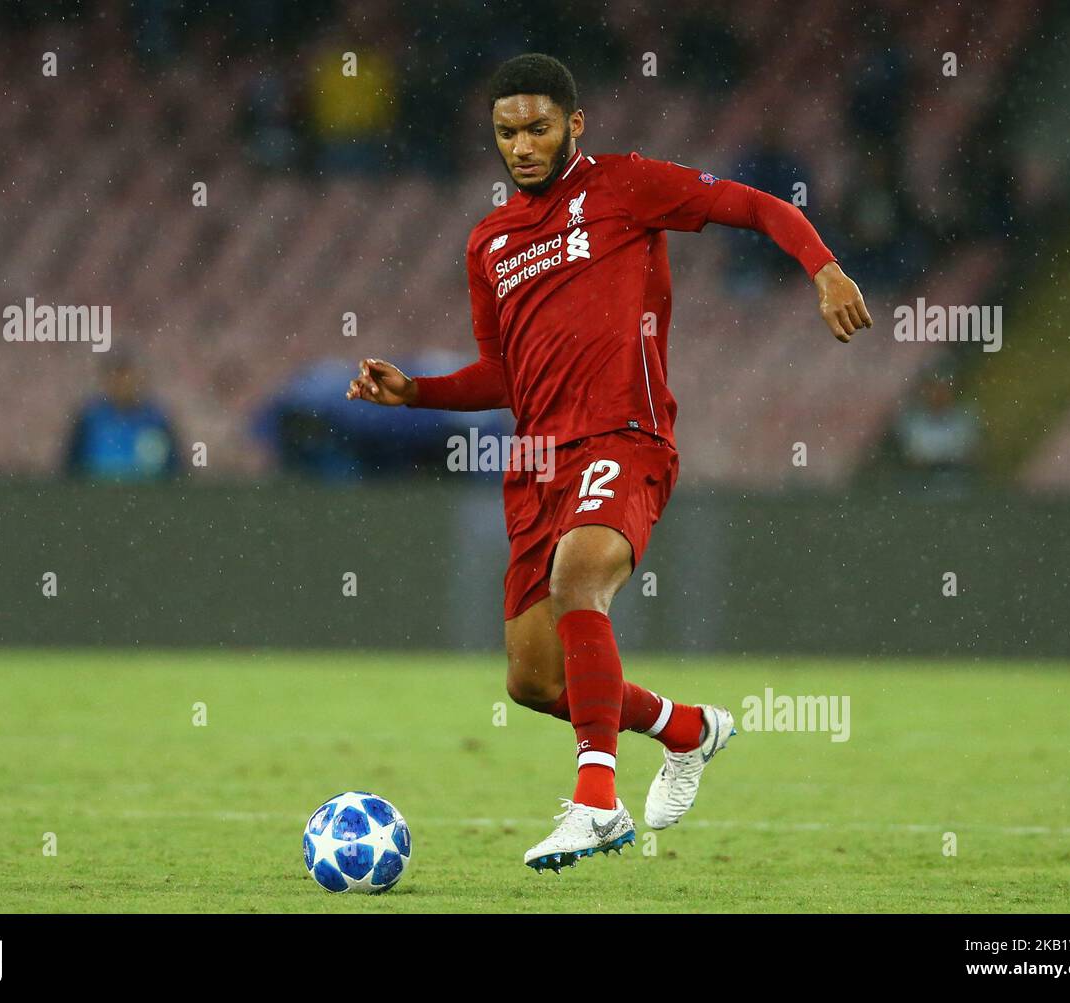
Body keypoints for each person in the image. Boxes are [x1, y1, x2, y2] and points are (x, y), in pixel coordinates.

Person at [345, 54, 871, 872]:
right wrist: (415, 392)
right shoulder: (489, 243)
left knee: (579, 574)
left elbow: (755, 204)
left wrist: (824, 267)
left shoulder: (626, 187)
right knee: (533, 680)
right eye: (507, 133)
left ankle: (596, 804)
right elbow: (504, 374)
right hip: (536, 462)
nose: (522, 146)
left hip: (624, 434)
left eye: (538, 128)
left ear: (574, 123)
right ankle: (686, 730)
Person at [64, 354, 181, 481]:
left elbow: (175, 472)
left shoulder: (156, 420)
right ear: (106, 381)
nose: (122, 384)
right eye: (117, 377)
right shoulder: (89, 419)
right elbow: (70, 469)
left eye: (127, 377)